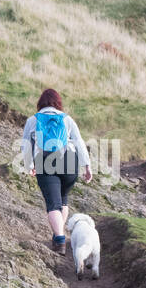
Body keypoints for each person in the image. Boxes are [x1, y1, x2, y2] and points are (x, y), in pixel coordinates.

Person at [22, 88, 93, 254]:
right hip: (68, 160)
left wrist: (29, 166)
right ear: (58, 103)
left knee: (53, 204)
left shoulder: (33, 120)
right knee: (63, 199)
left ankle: (60, 239)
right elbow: (79, 142)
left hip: (44, 160)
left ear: (40, 103)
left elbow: (25, 145)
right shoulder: (67, 119)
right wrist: (87, 166)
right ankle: (58, 235)